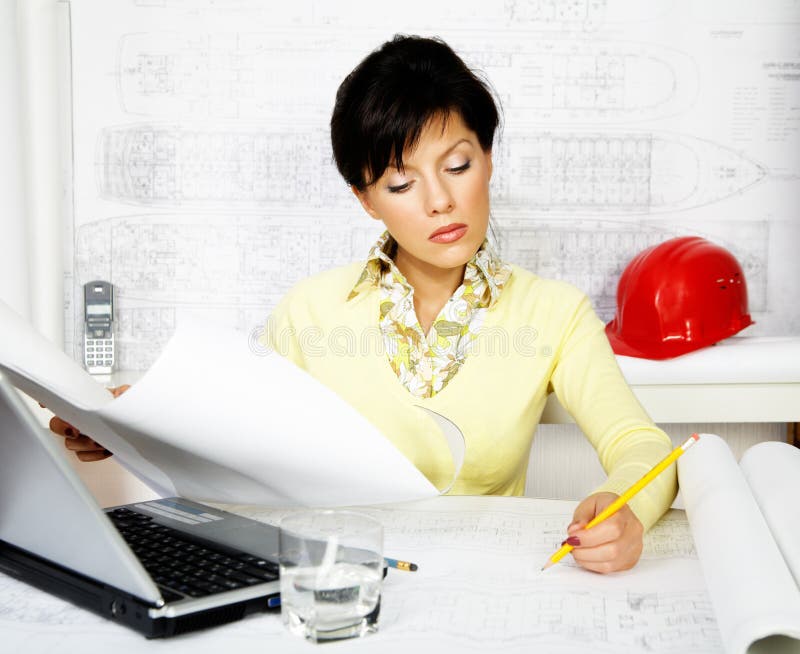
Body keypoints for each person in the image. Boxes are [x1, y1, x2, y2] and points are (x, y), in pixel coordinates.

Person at [50, 35, 676, 574]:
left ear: (487, 158)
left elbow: (641, 445)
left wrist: (625, 509)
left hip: (486, 582)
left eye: (457, 164)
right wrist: (130, 423)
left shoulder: (553, 313)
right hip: (335, 582)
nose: (438, 201)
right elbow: (231, 429)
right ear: (367, 200)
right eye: (401, 183)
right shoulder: (311, 312)